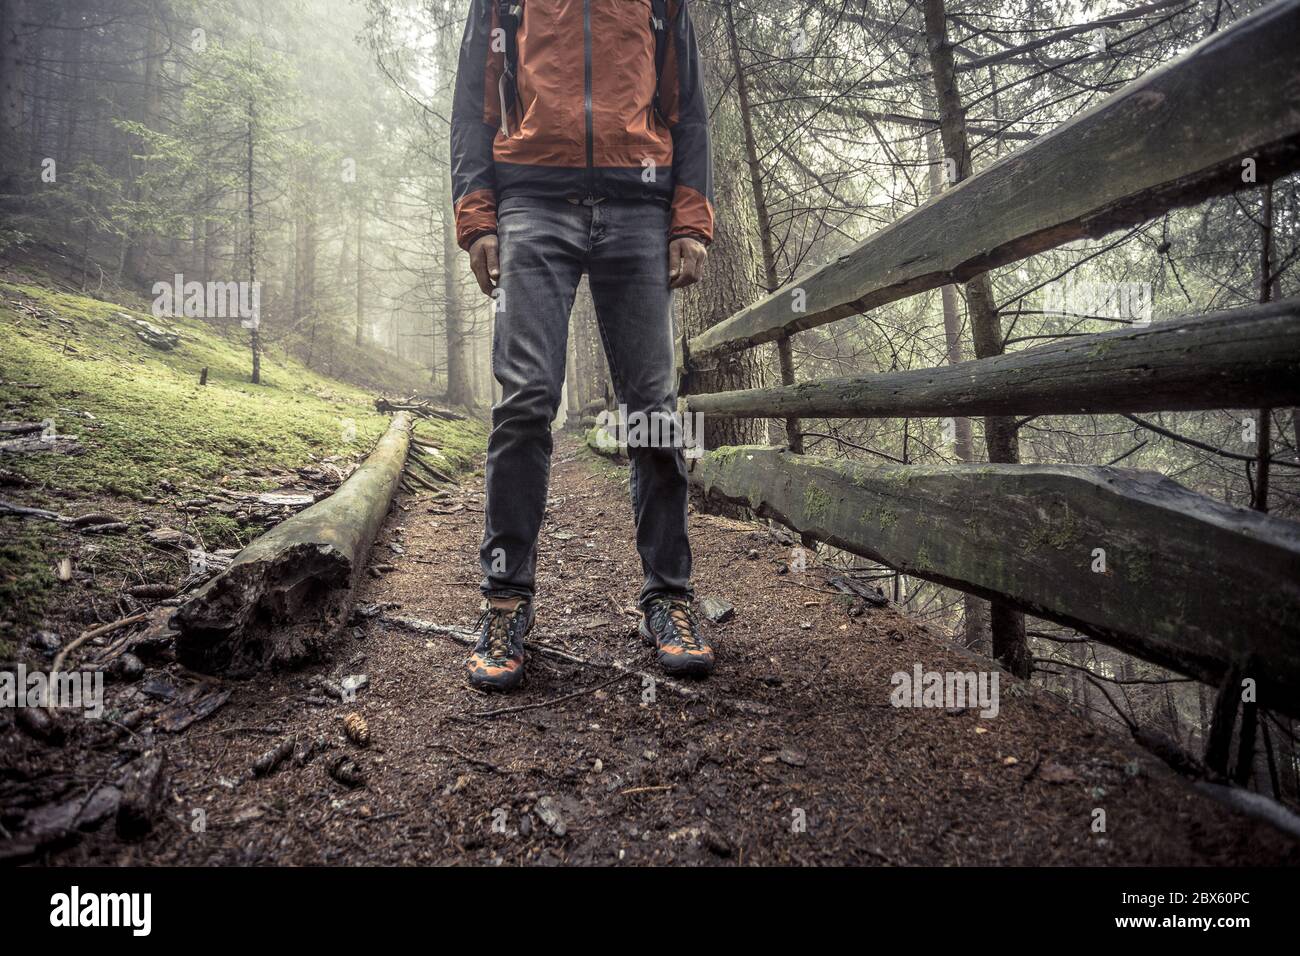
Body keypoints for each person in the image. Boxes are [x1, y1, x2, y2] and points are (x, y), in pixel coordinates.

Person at [450, 0, 715, 691]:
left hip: (641, 205)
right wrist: (477, 217)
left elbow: (689, 110)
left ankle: (669, 598)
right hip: (530, 203)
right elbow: (471, 109)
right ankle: (505, 601)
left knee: (654, 405)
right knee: (525, 401)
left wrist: (690, 216)